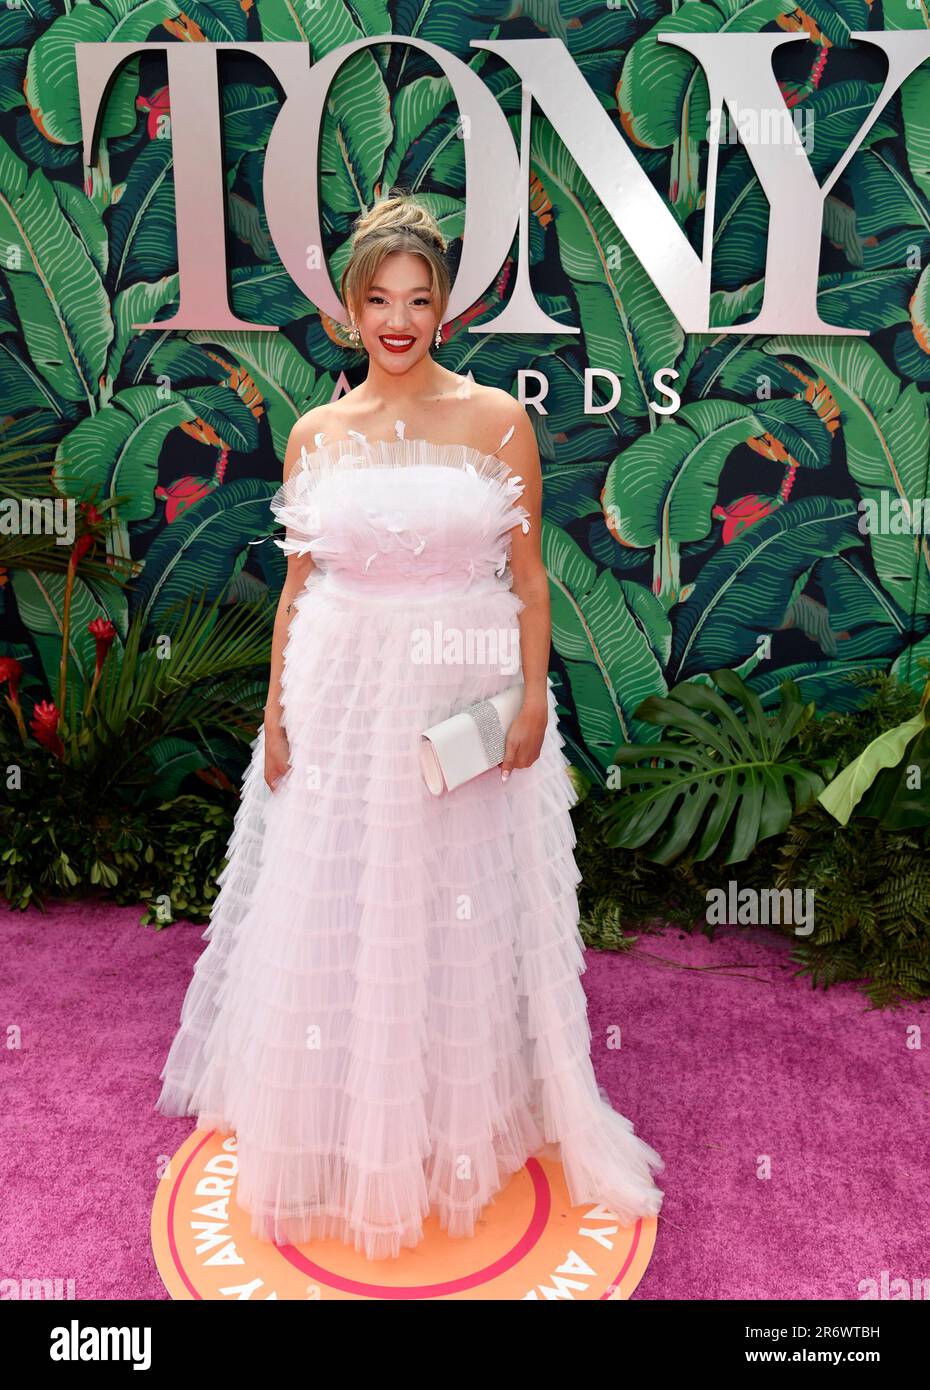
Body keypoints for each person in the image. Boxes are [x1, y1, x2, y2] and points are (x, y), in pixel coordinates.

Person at [155, 191, 665, 1260]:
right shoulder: (316, 434)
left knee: (457, 904)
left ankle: (451, 1122)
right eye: (377, 298)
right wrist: (276, 720)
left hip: (465, 696)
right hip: (340, 693)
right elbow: (298, 591)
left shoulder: (495, 421)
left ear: (446, 309)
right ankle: (342, 1122)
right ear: (348, 308)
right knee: (344, 899)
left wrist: (532, 699)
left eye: (418, 299)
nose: (398, 318)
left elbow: (528, 581)